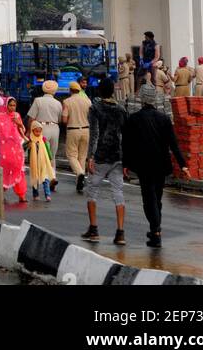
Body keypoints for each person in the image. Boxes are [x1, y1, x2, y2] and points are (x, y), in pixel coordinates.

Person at [124, 84, 189, 248]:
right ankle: (155, 230)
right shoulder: (164, 119)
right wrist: (183, 166)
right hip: (161, 164)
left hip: (143, 165)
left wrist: (126, 164)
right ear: (155, 99)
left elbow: (127, 144)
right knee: (157, 198)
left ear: (141, 100)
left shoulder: (134, 119)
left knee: (148, 199)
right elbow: (173, 144)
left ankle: (156, 230)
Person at [83, 82, 128, 245]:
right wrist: (126, 159)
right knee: (118, 192)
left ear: (100, 92)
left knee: (92, 190)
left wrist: (90, 157)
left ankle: (94, 229)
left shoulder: (95, 109)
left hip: (100, 156)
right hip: (117, 156)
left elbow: (94, 134)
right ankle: (120, 232)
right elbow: (125, 136)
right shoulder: (122, 109)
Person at [26, 79, 62, 187]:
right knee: (52, 154)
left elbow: (31, 118)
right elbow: (59, 119)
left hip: (41, 129)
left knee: (40, 154)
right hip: (55, 128)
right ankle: (53, 176)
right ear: (54, 91)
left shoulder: (38, 101)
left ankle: (41, 178)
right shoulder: (58, 103)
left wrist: (28, 131)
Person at [62, 78, 93, 192]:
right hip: (86, 130)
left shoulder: (67, 102)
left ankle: (80, 173)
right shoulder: (88, 101)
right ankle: (79, 182)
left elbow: (64, 120)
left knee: (71, 155)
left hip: (73, 129)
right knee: (82, 156)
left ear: (70, 90)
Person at [0, 95, 28, 204]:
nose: (12, 107)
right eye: (10, 105)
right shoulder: (0, 116)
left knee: (18, 169)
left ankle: (22, 195)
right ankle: (1, 191)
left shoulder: (17, 115)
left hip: (16, 148)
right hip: (4, 149)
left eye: (14, 105)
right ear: (6, 105)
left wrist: (19, 123)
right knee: (4, 169)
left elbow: (22, 131)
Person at [27, 120, 57, 202]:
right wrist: (28, 145)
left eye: (40, 131)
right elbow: (24, 148)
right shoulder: (30, 140)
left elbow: (47, 149)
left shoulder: (43, 139)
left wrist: (50, 158)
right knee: (35, 179)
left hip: (43, 162)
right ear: (32, 130)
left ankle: (47, 195)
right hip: (34, 163)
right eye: (36, 131)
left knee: (45, 179)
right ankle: (35, 195)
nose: (38, 133)